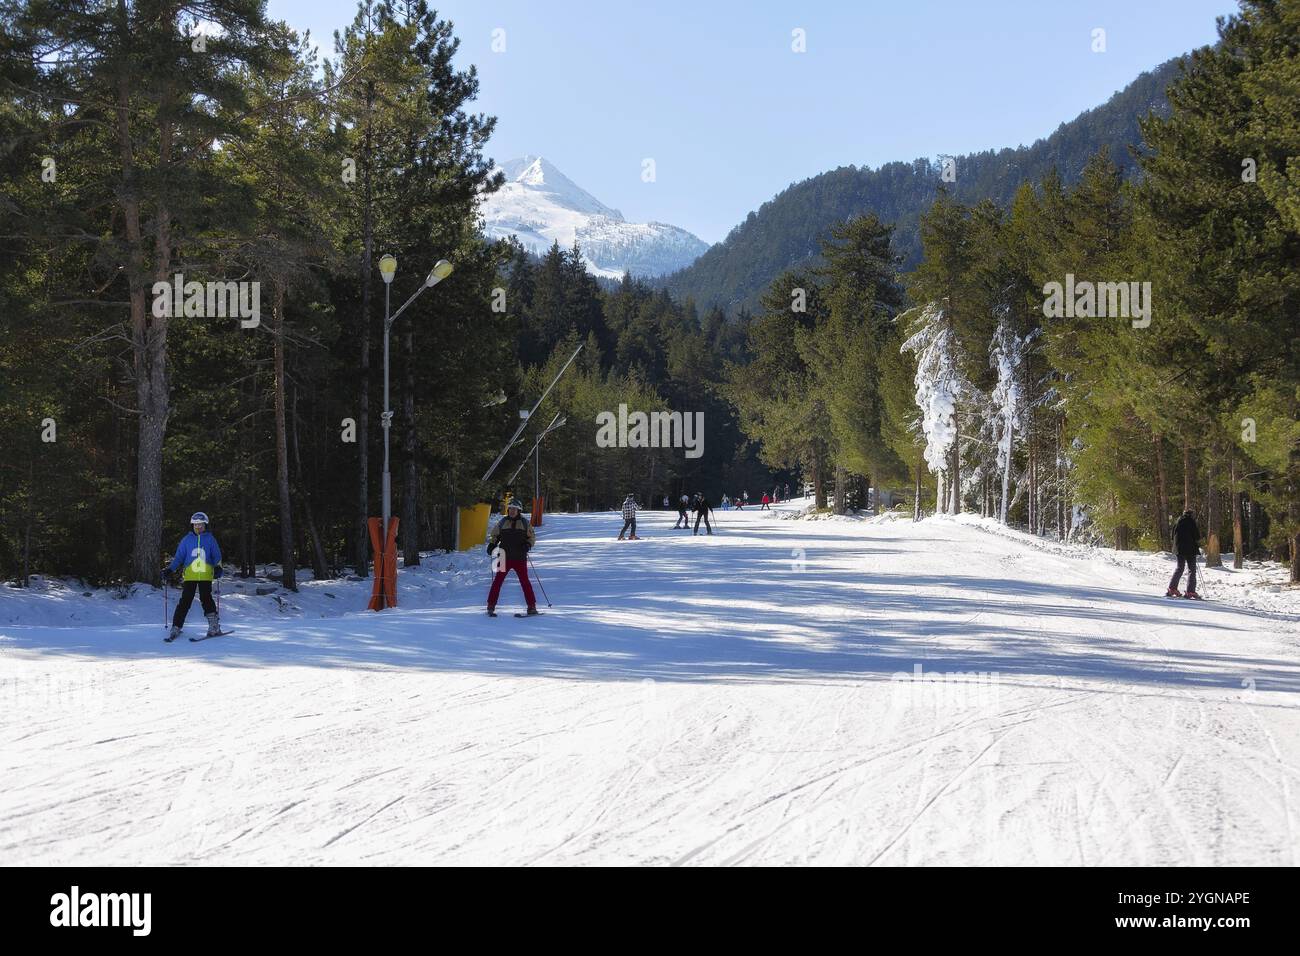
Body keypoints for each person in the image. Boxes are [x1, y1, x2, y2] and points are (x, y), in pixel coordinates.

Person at [165, 511, 223, 641]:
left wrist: (218, 568)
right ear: (192, 525)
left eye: (201, 525)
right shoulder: (186, 540)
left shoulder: (210, 539)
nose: (198, 527)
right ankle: (176, 626)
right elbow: (179, 557)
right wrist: (170, 569)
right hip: (190, 576)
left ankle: (214, 626)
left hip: (205, 575)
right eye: (196, 525)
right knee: (185, 601)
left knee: (206, 598)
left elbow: (217, 556)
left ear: (205, 525)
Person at [487, 501, 537, 616]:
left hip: (520, 557)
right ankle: (491, 605)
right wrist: (492, 544)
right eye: (510, 509)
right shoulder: (503, 522)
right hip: (504, 557)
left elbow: (532, 537)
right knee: (497, 582)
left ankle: (532, 606)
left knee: (525, 582)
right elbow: (495, 535)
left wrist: (528, 545)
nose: (512, 511)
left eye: (514, 509)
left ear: (519, 511)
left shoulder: (525, 523)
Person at [1168, 509, 1201, 598]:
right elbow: (1197, 536)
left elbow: (1172, 536)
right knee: (1192, 570)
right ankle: (1190, 591)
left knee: (1179, 568)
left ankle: (1172, 588)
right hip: (1190, 550)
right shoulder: (1191, 522)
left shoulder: (1177, 521)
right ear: (1191, 514)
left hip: (1178, 549)